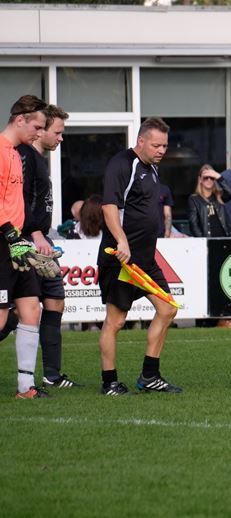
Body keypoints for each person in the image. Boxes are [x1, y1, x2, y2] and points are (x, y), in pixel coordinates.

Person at [97, 117, 180, 396]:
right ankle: (109, 382)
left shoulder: (152, 167)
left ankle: (149, 376)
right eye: (156, 145)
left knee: (167, 309)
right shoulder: (122, 164)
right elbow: (109, 206)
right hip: (121, 260)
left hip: (145, 260)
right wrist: (122, 240)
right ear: (141, 141)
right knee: (116, 321)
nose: (161, 150)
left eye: (165, 146)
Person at [14, 103, 81, 389]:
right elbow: (18, 202)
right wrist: (34, 234)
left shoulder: (39, 159)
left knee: (55, 302)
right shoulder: (24, 156)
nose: (60, 138)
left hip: (43, 239)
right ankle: (29, 381)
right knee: (17, 310)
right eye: (57, 131)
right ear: (40, 131)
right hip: (27, 240)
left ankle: (52, 375)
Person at [0, 95, 49, 398]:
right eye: (37, 127)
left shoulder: (18, 155)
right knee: (1, 317)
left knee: (31, 309)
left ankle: (25, 387)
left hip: (16, 242)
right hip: (2, 240)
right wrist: (9, 234)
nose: (40, 133)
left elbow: (14, 205)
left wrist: (26, 239)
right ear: (20, 120)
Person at [187, 165, 231, 238]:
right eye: (206, 178)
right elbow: (193, 224)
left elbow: (230, 193)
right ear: (200, 179)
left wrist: (218, 176)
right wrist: (203, 240)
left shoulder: (219, 196)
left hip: (224, 238)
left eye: (211, 178)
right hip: (206, 240)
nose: (209, 180)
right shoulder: (194, 199)